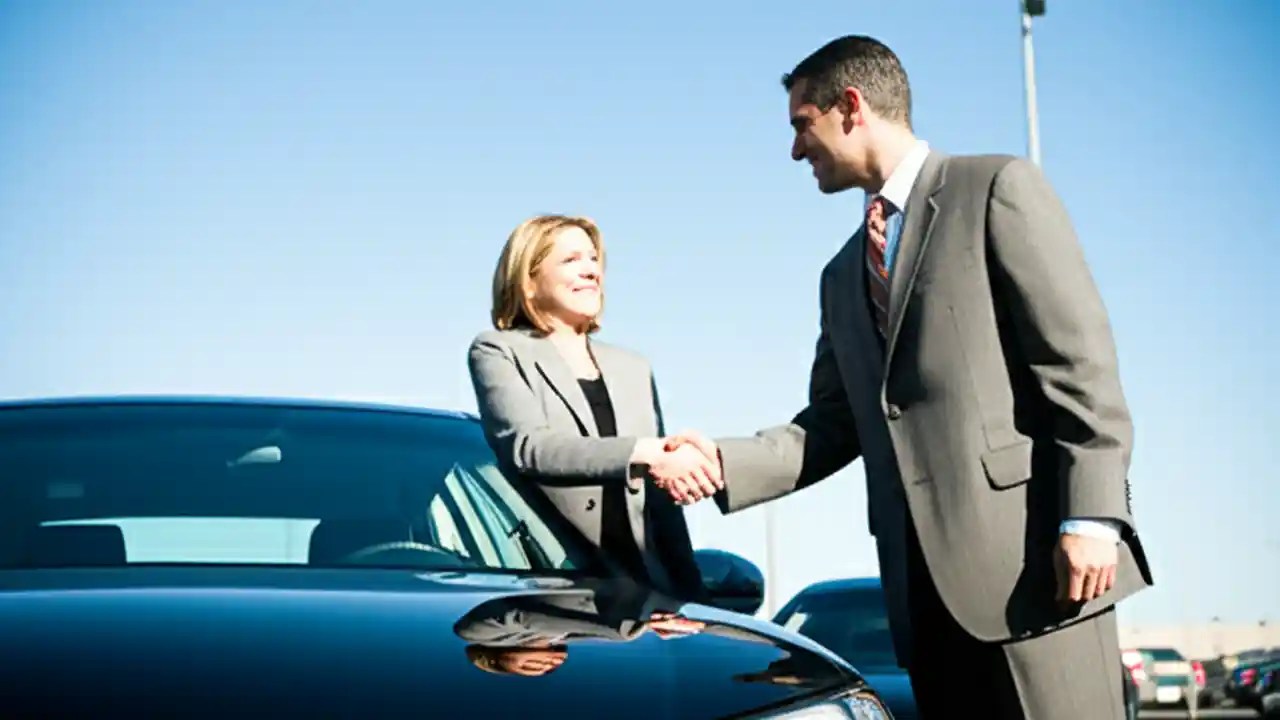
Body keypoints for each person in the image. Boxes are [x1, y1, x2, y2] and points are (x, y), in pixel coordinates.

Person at [664, 35, 1154, 719]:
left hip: (1040, 575)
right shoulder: (839, 276)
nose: (796, 150)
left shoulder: (996, 188)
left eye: (802, 125)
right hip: (922, 605)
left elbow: (1078, 365)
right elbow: (832, 424)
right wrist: (720, 460)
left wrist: (1093, 517)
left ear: (850, 106)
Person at [466, 213, 721, 601]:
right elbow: (529, 447)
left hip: (648, 601)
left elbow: (661, 505)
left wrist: (691, 598)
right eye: (570, 260)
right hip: (553, 595)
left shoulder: (634, 367)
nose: (590, 271)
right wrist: (646, 452)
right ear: (529, 282)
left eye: (592, 259)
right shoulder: (498, 350)